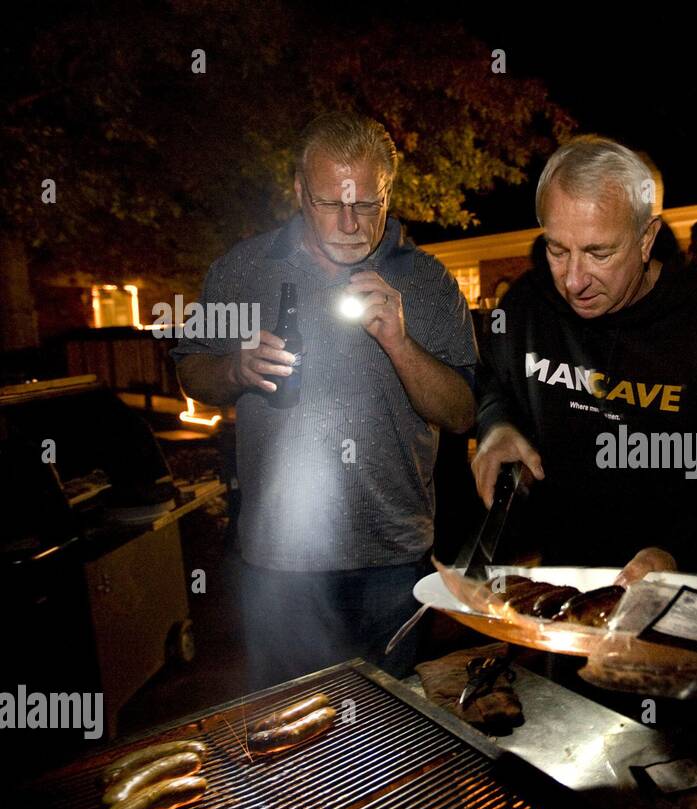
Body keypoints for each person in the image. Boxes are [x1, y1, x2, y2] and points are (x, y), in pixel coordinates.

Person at [173, 111, 477, 689]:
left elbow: (461, 413)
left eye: (366, 204)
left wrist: (400, 342)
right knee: (291, 741)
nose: (348, 224)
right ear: (297, 190)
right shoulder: (239, 271)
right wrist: (235, 366)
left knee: (390, 739)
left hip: (393, 556)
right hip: (279, 560)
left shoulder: (428, 279)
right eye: (328, 203)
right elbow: (192, 374)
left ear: (388, 191)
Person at [473, 135, 697, 583]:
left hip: (687, 589)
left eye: (599, 253)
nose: (574, 280)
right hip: (563, 579)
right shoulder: (526, 306)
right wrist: (497, 426)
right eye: (557, 249)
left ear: (647, 239)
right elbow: (492, 382)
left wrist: (678, 554)